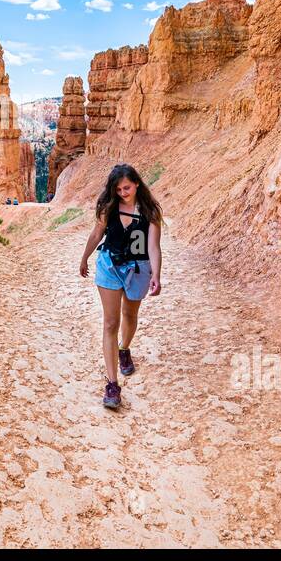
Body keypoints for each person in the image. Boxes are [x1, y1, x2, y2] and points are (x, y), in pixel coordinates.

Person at [78, 163, 163, 409]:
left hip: (137, 269)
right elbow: (96, 235)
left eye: (127, 187)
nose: (123, 193)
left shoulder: (150, 212)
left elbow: (153, 247)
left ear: (136, 184)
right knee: (110, 322)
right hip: (110, 265)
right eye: (118, 189)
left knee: (130, 313)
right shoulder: (109, 208)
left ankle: (124, 348)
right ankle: (112, 384)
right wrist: (84, 258)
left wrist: (156, 274)